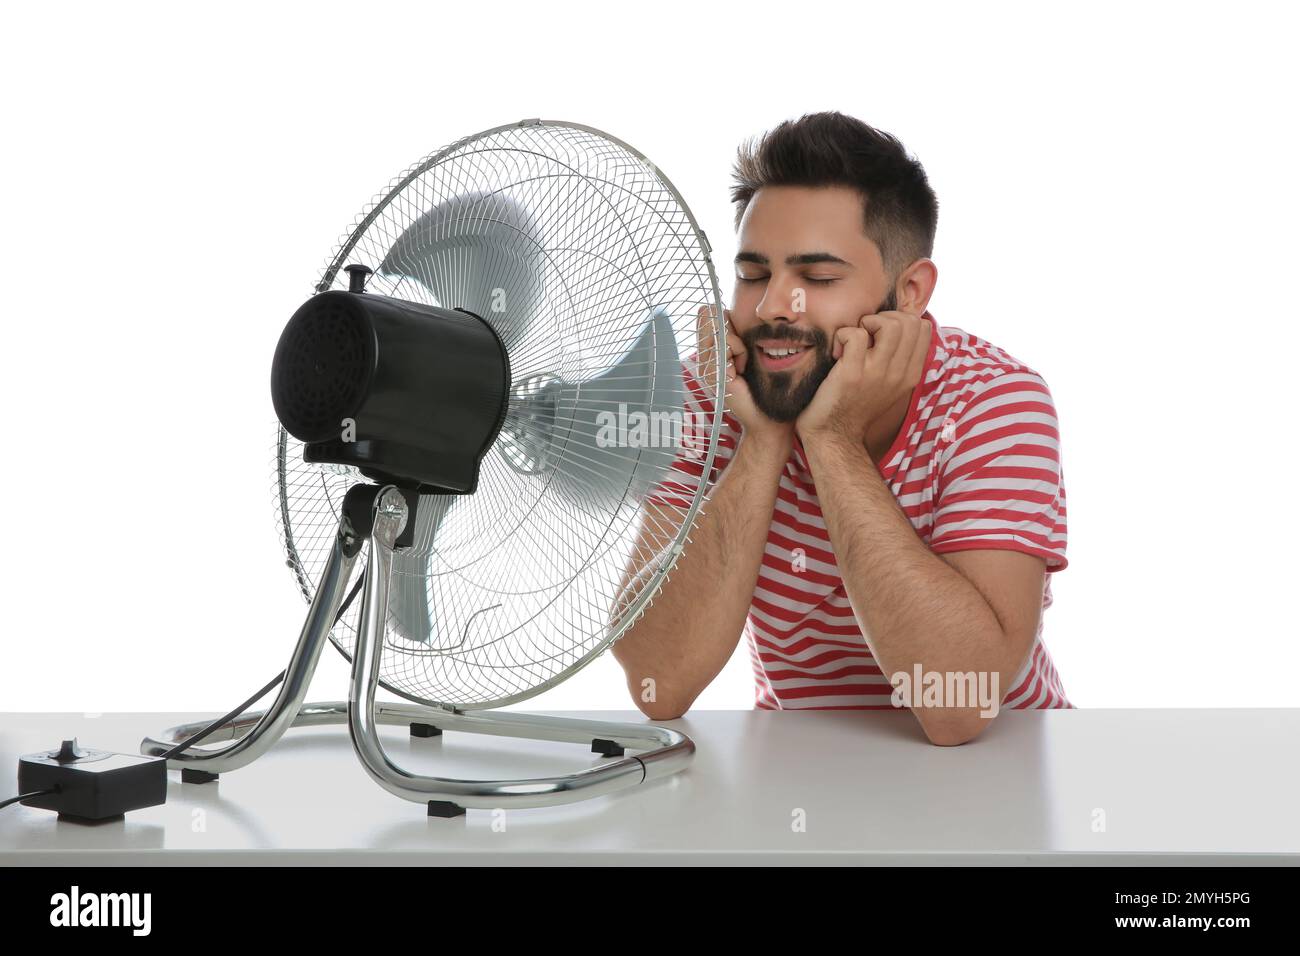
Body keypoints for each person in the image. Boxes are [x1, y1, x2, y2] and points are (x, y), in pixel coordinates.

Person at [611, 111, 1071, 746]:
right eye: (752, 275)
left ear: (910, 291)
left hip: (999, 776)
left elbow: (960, 707)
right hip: (801, 774)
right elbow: (659, 681)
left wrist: (832, 440)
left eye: (818, 279)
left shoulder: (995, 401)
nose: (774, 306)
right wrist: (764, 437)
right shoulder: (712, 395)